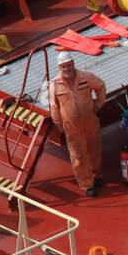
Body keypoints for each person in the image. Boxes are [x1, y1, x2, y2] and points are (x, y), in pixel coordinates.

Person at [48, 52, 108, 197]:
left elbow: (100, 86)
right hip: (72, 126)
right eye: (63, 67)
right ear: (59, 67)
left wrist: (98, 105)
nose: (67, 69)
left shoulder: (85, 77)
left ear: (73, 63)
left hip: (90, 122)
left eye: (68, 65)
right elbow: (54, 107)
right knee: (78, 156)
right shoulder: (55, 85)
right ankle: (87, 185)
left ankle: (94, 175)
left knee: (95, 149)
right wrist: (59, 124)